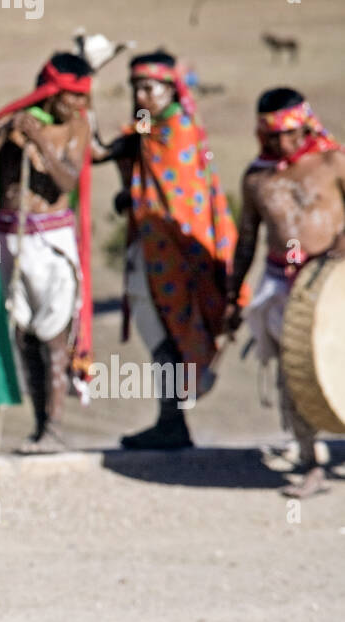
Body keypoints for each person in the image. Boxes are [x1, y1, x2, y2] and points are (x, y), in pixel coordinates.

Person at [96, 52, 240, 450]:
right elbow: (107, 153)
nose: (141, 95)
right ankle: (171, 421)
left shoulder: (175, 129)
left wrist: (134, 197)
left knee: (170, 335)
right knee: (160, 334)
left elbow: (174, 197)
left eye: (149, 87)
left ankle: (172, 424)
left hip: (177, 251)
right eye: (136, 88)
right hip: (154, 248)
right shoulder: (149, 129)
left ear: (170, 88)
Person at [226, 88, 345, 498]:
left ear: (306, 124)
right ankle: (311, 461)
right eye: (273, 136)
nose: (282, 143)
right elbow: (246, 240)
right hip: (281, 284)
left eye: (290, 134)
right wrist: (233, 292)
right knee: (294, 373)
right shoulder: (257, 178)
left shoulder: (333, 162)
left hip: (336, 281)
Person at [0, 53, 94, 454]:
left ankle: (57, 427)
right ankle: (38, 425)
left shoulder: (76, 127)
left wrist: (43, 143)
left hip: (51, 241)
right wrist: (4, 135)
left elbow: (66, 179)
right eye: (70, 98)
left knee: (54, 337)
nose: (77, 106)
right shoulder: (12, 123)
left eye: (82, 98)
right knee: (24, 335)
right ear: (50, 94)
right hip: (10, 238)